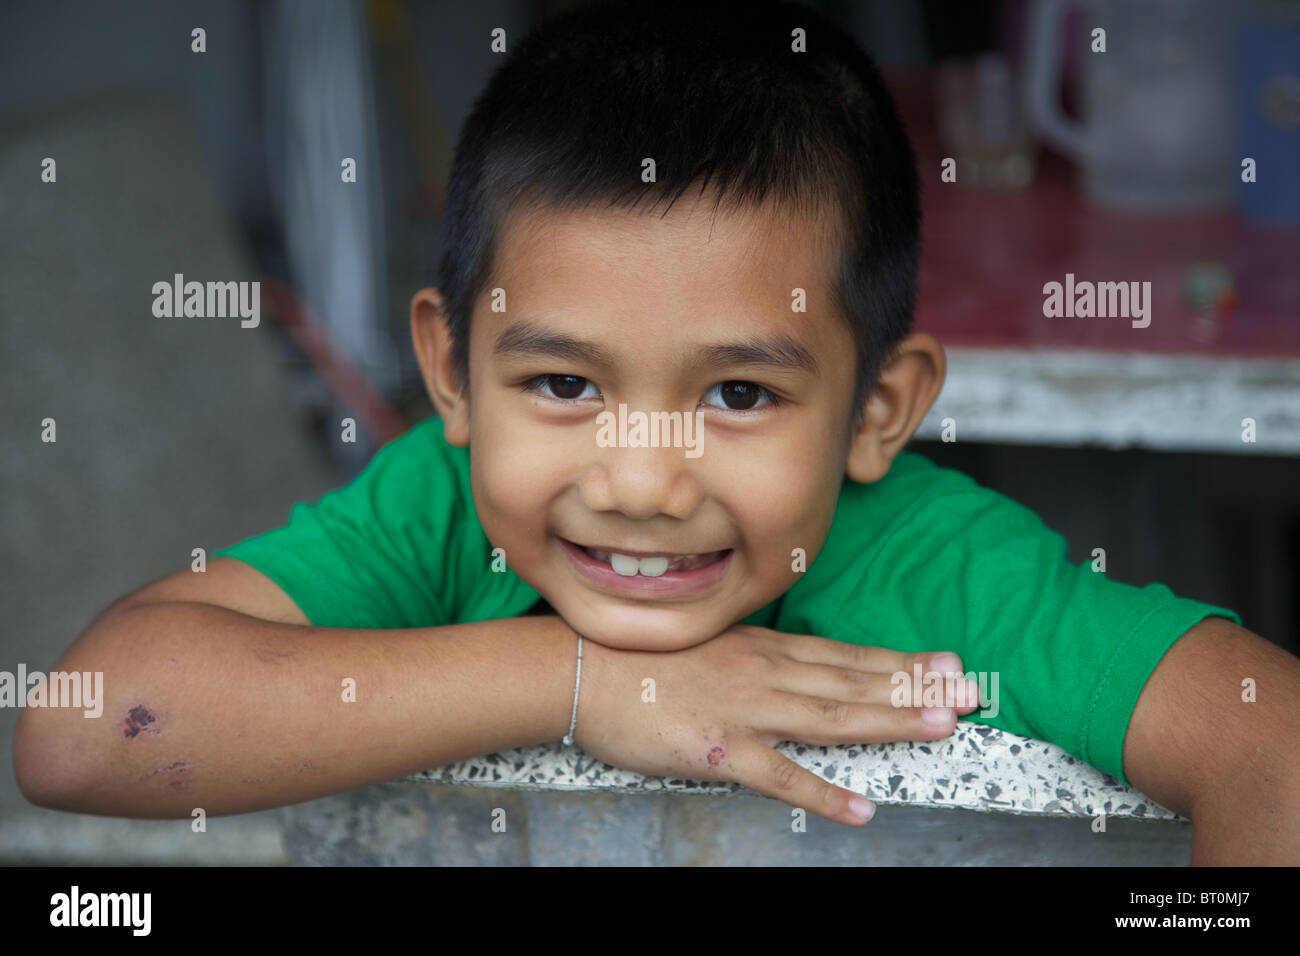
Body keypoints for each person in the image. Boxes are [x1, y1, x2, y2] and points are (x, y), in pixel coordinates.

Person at [15, 0, 1298, 864]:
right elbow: (84, 729)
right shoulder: (439, 503)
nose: (635, 481)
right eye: (563, 384)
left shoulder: (925, 564)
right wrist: (590, 686)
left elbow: (1265, 738)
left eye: (737, 394)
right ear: (451, 374)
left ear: (879, 412)